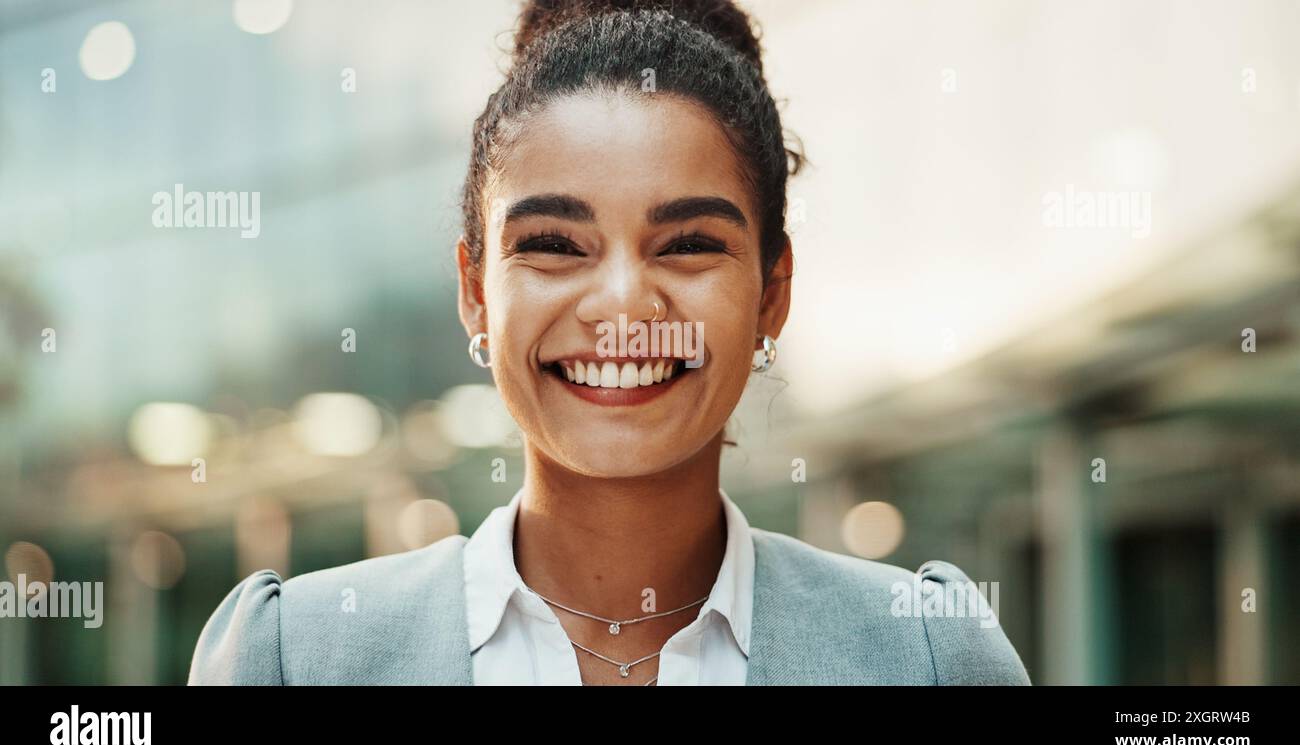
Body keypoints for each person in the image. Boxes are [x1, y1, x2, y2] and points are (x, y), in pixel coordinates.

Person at [188, 0, 1030, 686]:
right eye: (554, 244)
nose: (624, 307)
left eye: (689, 243)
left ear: (772, 294)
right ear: (476, 293)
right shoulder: (294, 657)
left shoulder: (924, 655)